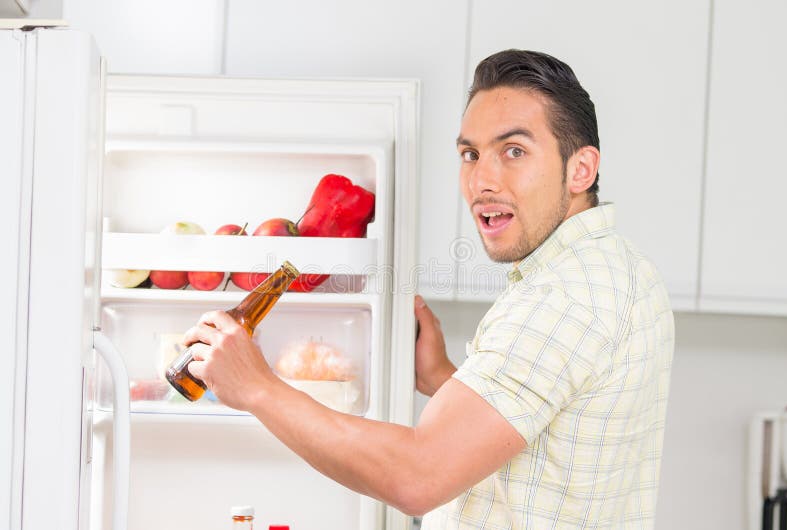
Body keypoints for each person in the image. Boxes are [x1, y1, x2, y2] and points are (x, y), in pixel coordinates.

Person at [183, 49, 675, 529]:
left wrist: (257, 388)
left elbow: (418, 475)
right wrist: (443, 377)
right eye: (471, 154)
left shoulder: (563, 297)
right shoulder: (618, 268)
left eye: (515, 151)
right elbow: (544, 447)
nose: (481, 179)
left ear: (580, 169)